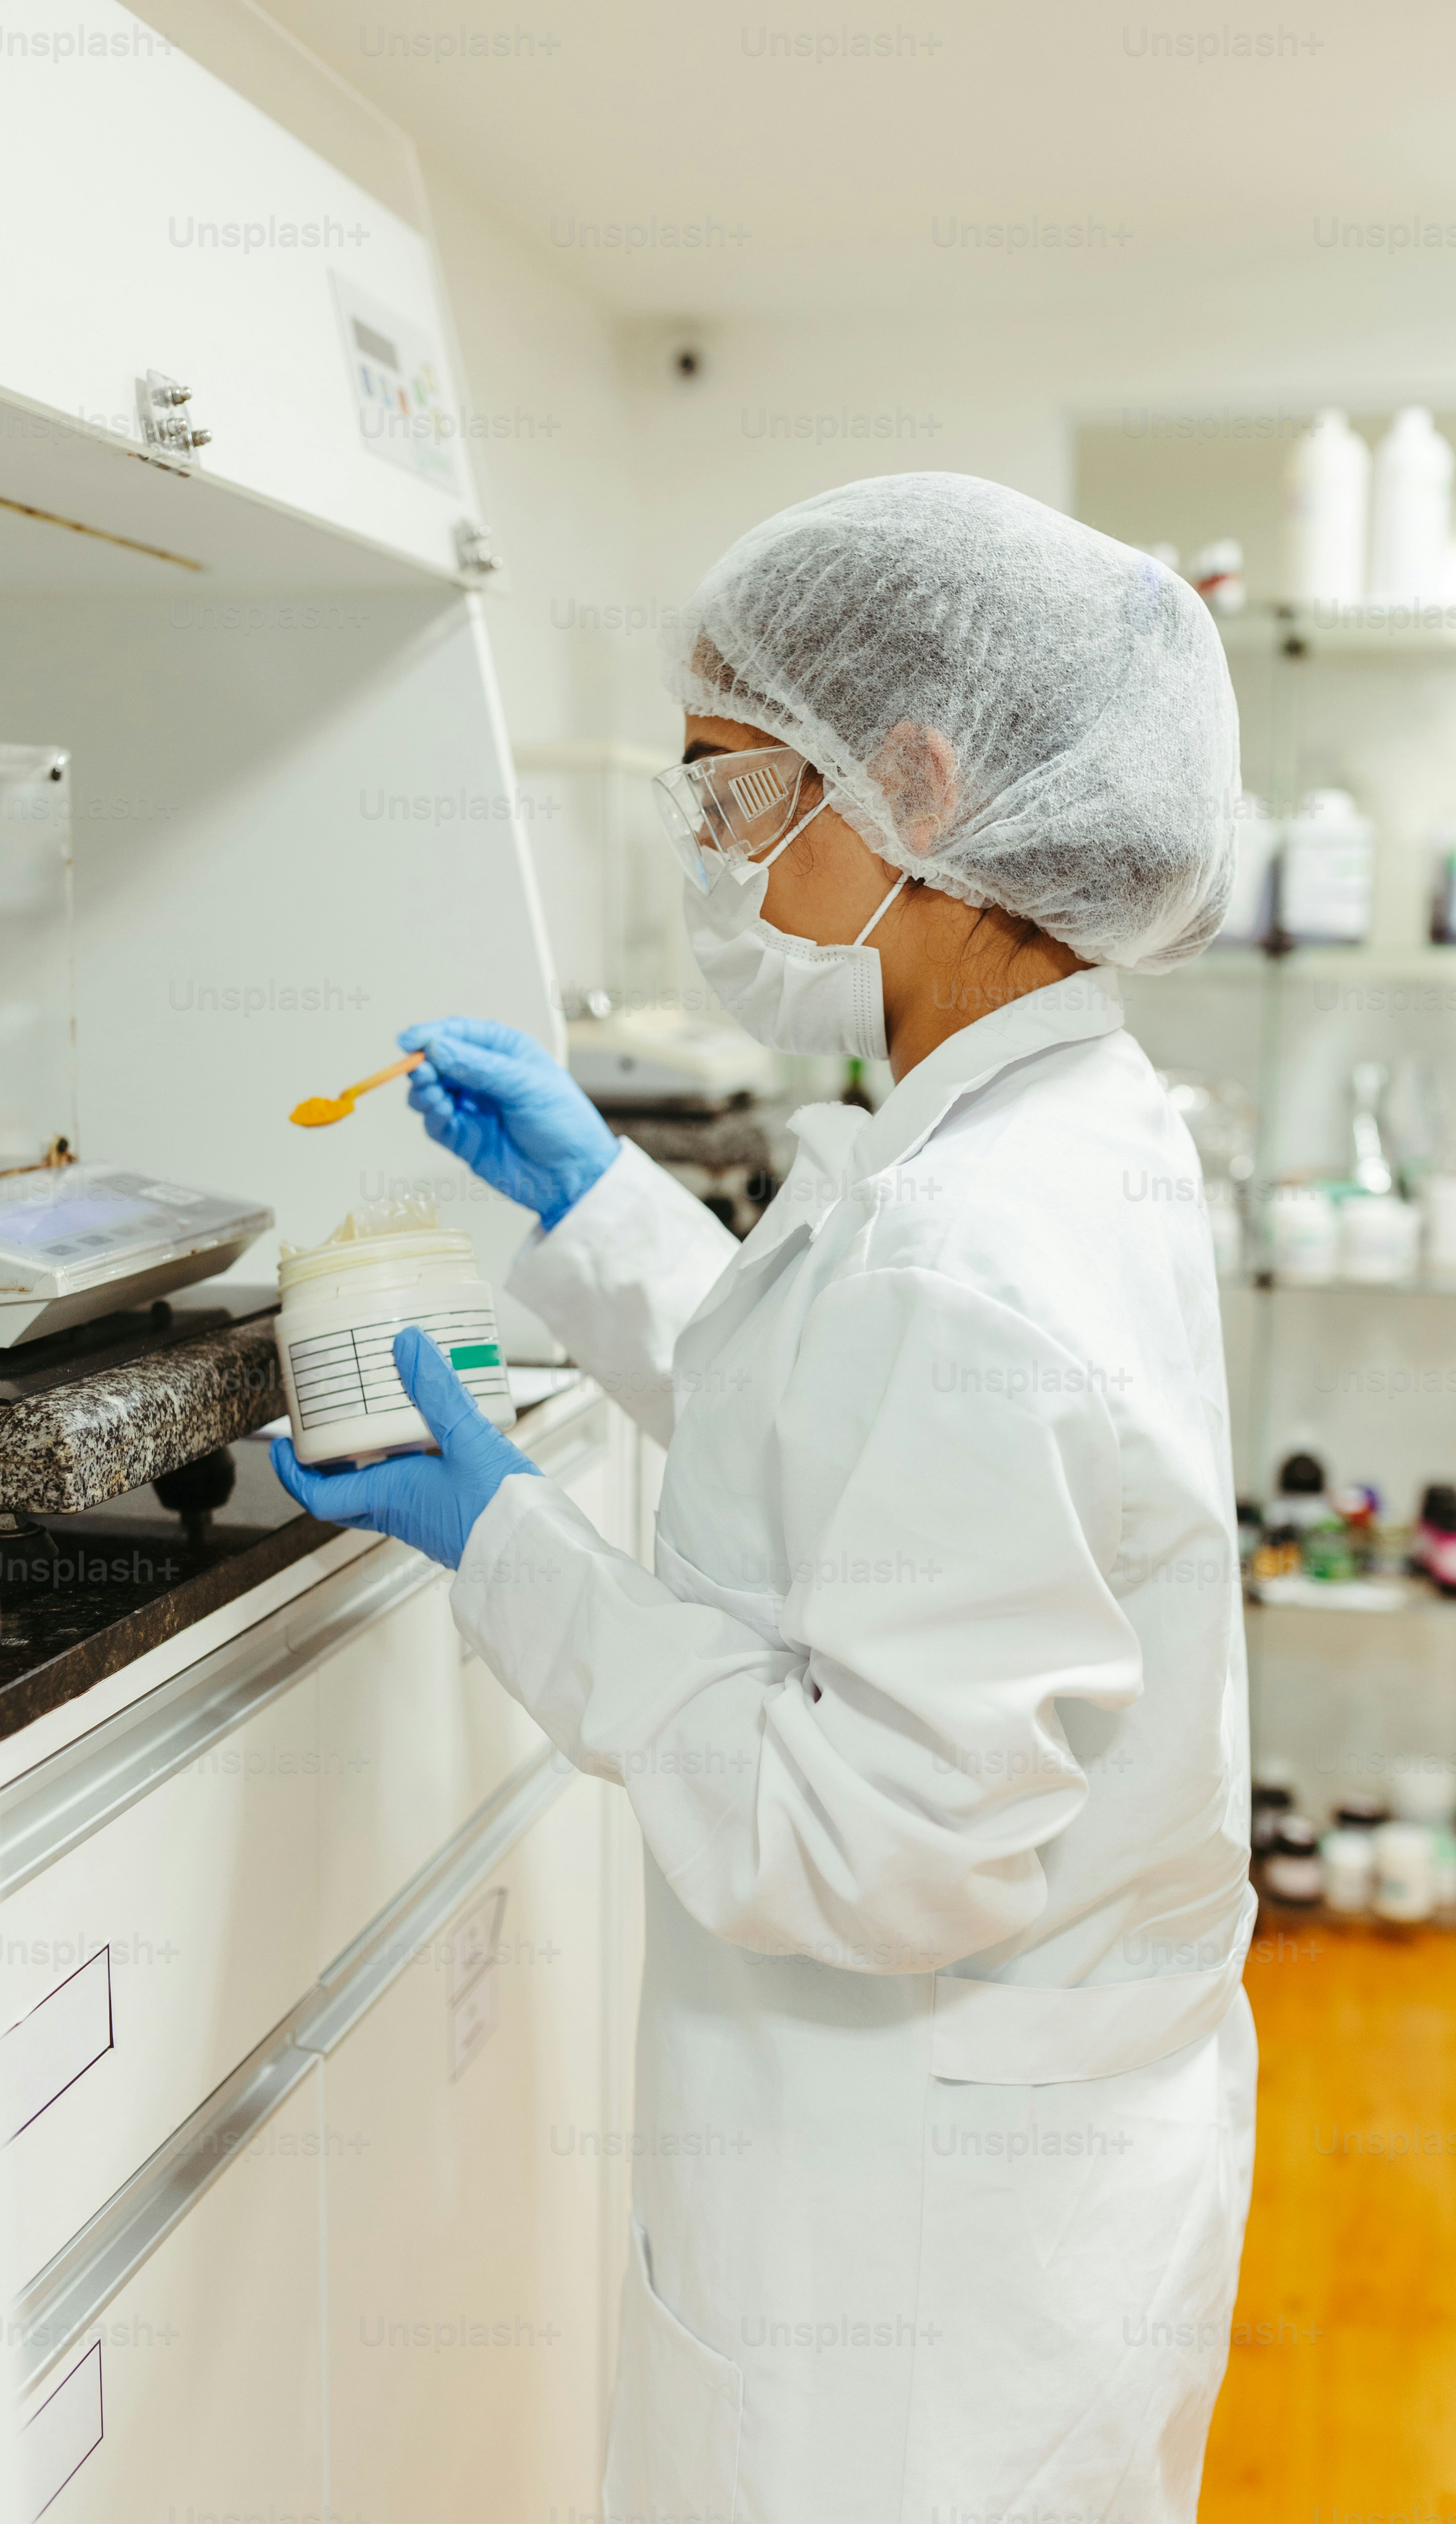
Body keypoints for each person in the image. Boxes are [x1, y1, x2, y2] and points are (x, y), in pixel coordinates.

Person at [275, 473, 1256, 2524]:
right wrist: (596, 1204)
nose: (716, 855)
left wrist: (513, 1545)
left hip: (916, 2246)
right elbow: (858, 1444)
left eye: (734, 789)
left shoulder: (978, 1239)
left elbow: (868, 1843)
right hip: (1020, 2163)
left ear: (915, 783)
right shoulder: (1063, 1126)